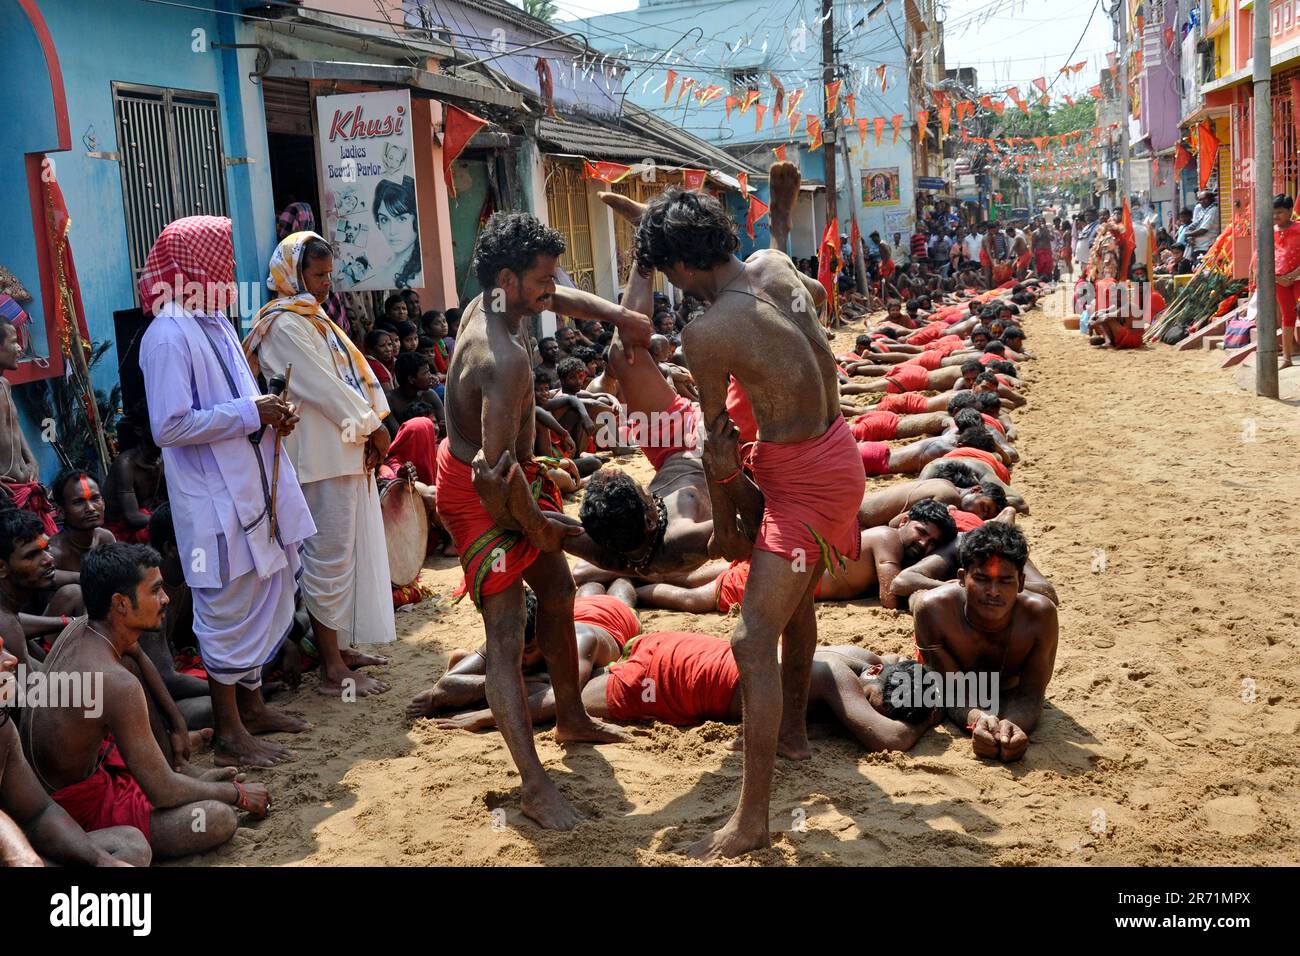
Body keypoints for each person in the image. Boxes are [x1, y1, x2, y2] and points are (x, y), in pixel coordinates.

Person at [615, 162, 864, 860]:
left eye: (667, 271)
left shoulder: (709, 331)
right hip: (834, 454)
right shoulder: (775, 265)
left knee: (752, 640)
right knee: (794, 604)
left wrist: (729, 513)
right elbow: (813, 302)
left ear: (682, 264)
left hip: (803, 483)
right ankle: (791, 736)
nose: (669, 286)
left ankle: (751, 822)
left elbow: (716, 439)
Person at [435, 211, 649, 830]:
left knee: (558, 592)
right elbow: (493, 481)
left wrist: (616, 318)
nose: (551, 290)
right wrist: (541, 527)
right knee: (504, 638)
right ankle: (532, 786)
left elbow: (563, 299)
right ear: (509, 276)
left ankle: (573, 719)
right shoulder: (502, 356)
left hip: (506, 473)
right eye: (544, 281)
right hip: (481, 497)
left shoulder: (494, 303)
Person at [138, 215, 312, 768]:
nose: (232, 269)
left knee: (268, 583)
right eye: (222, 260)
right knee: (226, 604)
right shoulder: (166, 334)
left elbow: (237, 402)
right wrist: (248, 412)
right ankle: (231, 731)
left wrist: (268, 413)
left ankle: (253, 708)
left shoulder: (212, 320)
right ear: (193, 267)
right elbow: (168, 426)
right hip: (213, 499)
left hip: (254, 483)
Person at [22, 544, 271, 859]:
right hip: (70, 813)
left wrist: (178, 725)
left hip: (69, 785)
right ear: (121, 604)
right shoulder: (117, 684)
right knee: (218, 817)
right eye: (155, 591)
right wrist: (236, 795)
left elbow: (135, 652)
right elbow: (162, 791)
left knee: (193, 790)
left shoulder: (83, 630)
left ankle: (188, 782)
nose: (165, 598)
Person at [243, 230, 396, 698]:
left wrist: (366, 430)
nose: (326, 284)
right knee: (327, 557)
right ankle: (332, 666)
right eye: (317, 274)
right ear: (292, 273)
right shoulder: (284, 324)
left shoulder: (314, 318)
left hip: (343, 450)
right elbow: (323, 386)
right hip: (318, 458)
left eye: (330, 275)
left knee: (344, 553)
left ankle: (343, 648)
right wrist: (373, 425)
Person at [430, 635, 940, 755]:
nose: (866, 705)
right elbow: (891, 740)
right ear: (872, 681)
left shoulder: (856, 653)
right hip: (675, 681)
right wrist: (930, 716)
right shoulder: (839, 677)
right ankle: (476, 698)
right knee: (560, 706)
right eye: (874, 698)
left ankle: (489, 684)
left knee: (575, 689)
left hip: (684, 651)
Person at [636, 500, 956, 613]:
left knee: (692, 577)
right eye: (922, 532)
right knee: (696, 599)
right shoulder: (887, 539)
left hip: (787, 564)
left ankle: (636, 573)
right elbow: (890, 597)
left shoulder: (881, 538)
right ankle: (636, 592)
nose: (924, 544)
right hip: (785, 579)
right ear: (904, 521)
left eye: (932, 543)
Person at [911, 523, 1058, 761]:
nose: (993, 591)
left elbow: (1031, 693)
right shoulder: (933, 612)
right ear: (961, 578)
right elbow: (950, 691)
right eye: (981, 579)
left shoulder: (1041, 617)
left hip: (1009, 689)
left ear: (1021, 583)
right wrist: (977, 720)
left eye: (1005, 581)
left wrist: (1011, 727)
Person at [0, 635, 152, 865]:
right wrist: (18, 852)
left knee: (129, 847)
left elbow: (39, 813)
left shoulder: (3, 727)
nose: (11, 660)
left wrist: (101, 861)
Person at [406, 581, 640, 719]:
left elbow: (561, 699)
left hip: (614, 619)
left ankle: (629, 576)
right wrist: (512, 681)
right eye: (515, 651)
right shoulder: (511, 634)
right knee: (589, 586)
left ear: (546, 638)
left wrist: (484, 703)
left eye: (528, 649)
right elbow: (444, 687)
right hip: (575, 608)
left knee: (621, 589)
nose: (521, 658)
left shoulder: (579, 641)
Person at [0, 317, 55, 535]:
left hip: (25, 490)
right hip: (6, 497)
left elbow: (14, 425)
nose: (20, 348)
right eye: (13, 342)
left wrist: (31, 459)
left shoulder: (4, 384)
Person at [101, 403, 166, 544]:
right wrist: (169, 518)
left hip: (149, 519)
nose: (164, 427)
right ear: (139, 430)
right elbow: (132, 518)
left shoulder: (165, 458)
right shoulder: (126, 464)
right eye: (157, 423)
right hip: (121, 533)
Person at [1259, 193, 1300, 367]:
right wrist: (1278, 277)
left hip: (1298, 278)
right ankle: (1287, 358)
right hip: (1279, 280)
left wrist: (1293, 275)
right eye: (1273, 212)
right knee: (1287, 316)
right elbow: (1264, 256)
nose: (1276, 216)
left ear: (1290, 211)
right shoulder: (1269, 232)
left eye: (1280, 212)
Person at [47, 469, 116, 573]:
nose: (91, 508)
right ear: (61, 512)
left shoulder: (106, 538)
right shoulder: (53, 554)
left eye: (95, 499)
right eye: (78, 502)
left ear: (104, 503)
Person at [373, 176, 421, 288]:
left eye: (401, 219)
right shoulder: (379, 270)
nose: (392, 231)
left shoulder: (418, 276)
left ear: (416, 219)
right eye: (385, 220)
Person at [388, 351, 446, 433]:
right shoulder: (390, 401)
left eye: (429, 371)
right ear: (411, 379)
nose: (430, 376)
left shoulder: (429, 394)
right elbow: (399, 436)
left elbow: (443, 425)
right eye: (426, 373)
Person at [1187, 190, 1219, 261]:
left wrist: (1188, 234)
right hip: (1198, 247)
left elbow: (1203, 229)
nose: (1202, 201)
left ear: (1211, 199)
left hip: (1206, 247)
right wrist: (1190, 236)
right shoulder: (1202, 211)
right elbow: (1194, 225)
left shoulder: (1213, 210)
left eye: (1205, 199)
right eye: (1200, 200)